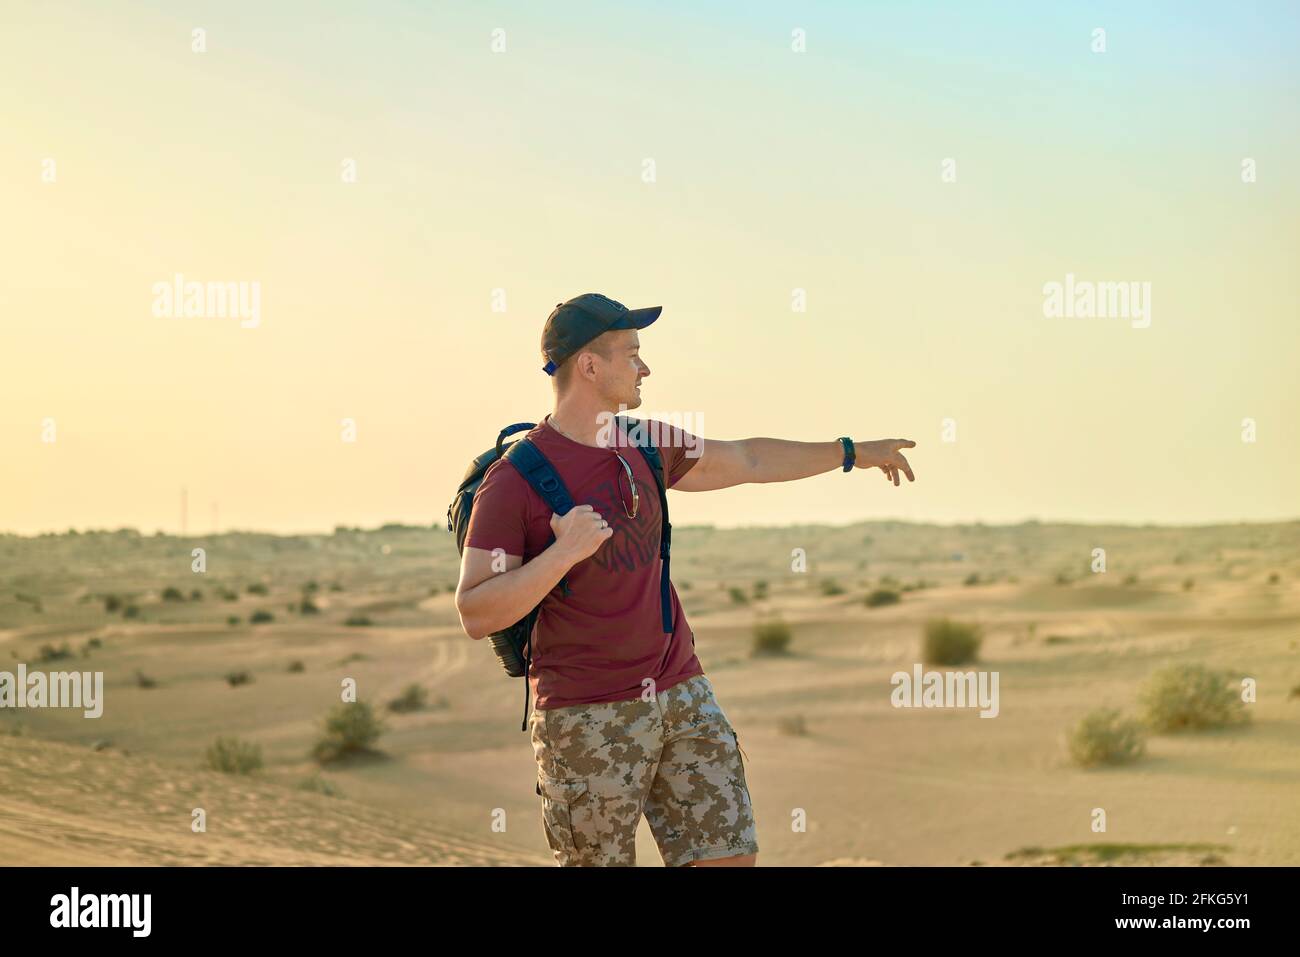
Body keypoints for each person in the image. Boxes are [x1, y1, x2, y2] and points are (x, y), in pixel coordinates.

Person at [455, 292, 915, 867]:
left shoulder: (647, 445)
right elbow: (475, 611)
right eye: (632, 354)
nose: (645, 368)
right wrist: (562, 553)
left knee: (728, 856)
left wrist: (852, 451)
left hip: (681, 692)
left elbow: (748, 459)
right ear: (590, 366)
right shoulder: (516, 480)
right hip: (586, 715)